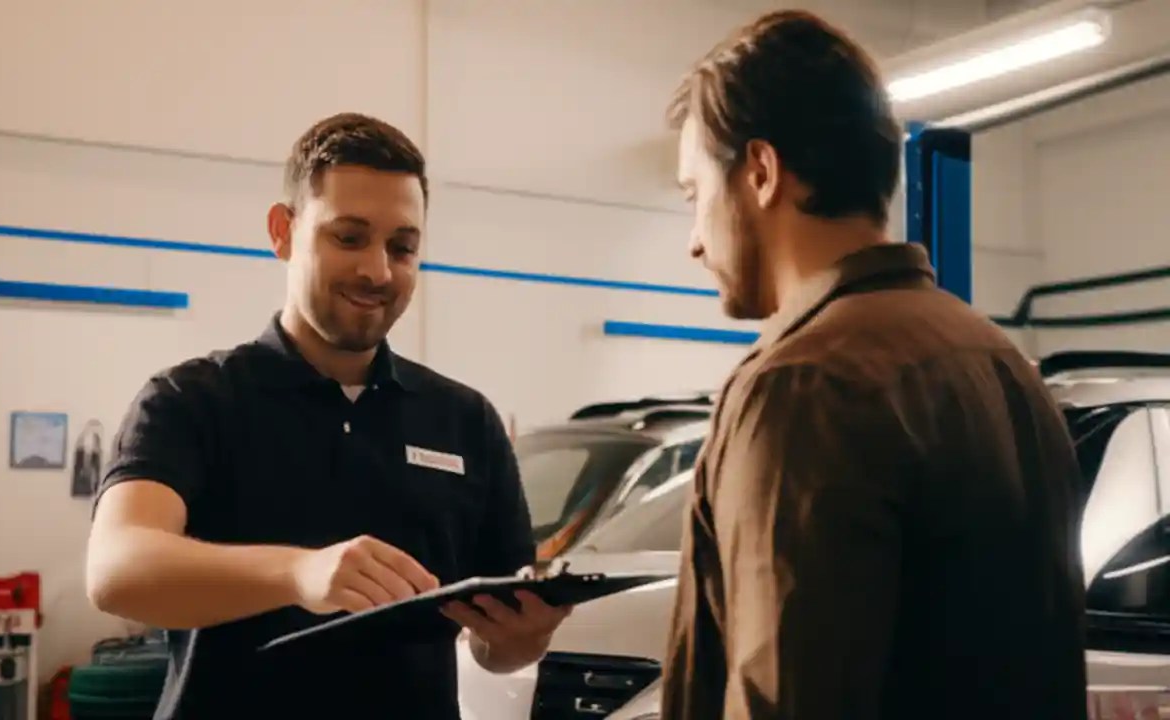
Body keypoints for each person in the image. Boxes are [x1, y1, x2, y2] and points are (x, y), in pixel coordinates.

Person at [661, 11, 1088, 720]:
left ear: (760, 173)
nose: (694, 244)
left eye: (693, 195)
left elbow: (787, 701)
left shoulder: (803, 386)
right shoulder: (1001, 362)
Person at [85, 113, 570, 720]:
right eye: (349, 237)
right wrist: (298, 573)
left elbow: (495, 645)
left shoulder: (465, 420)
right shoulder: (193, 400)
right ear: (283, 232)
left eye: (402, 246)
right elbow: (117, 570)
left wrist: (522, 639)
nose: (377, 271)